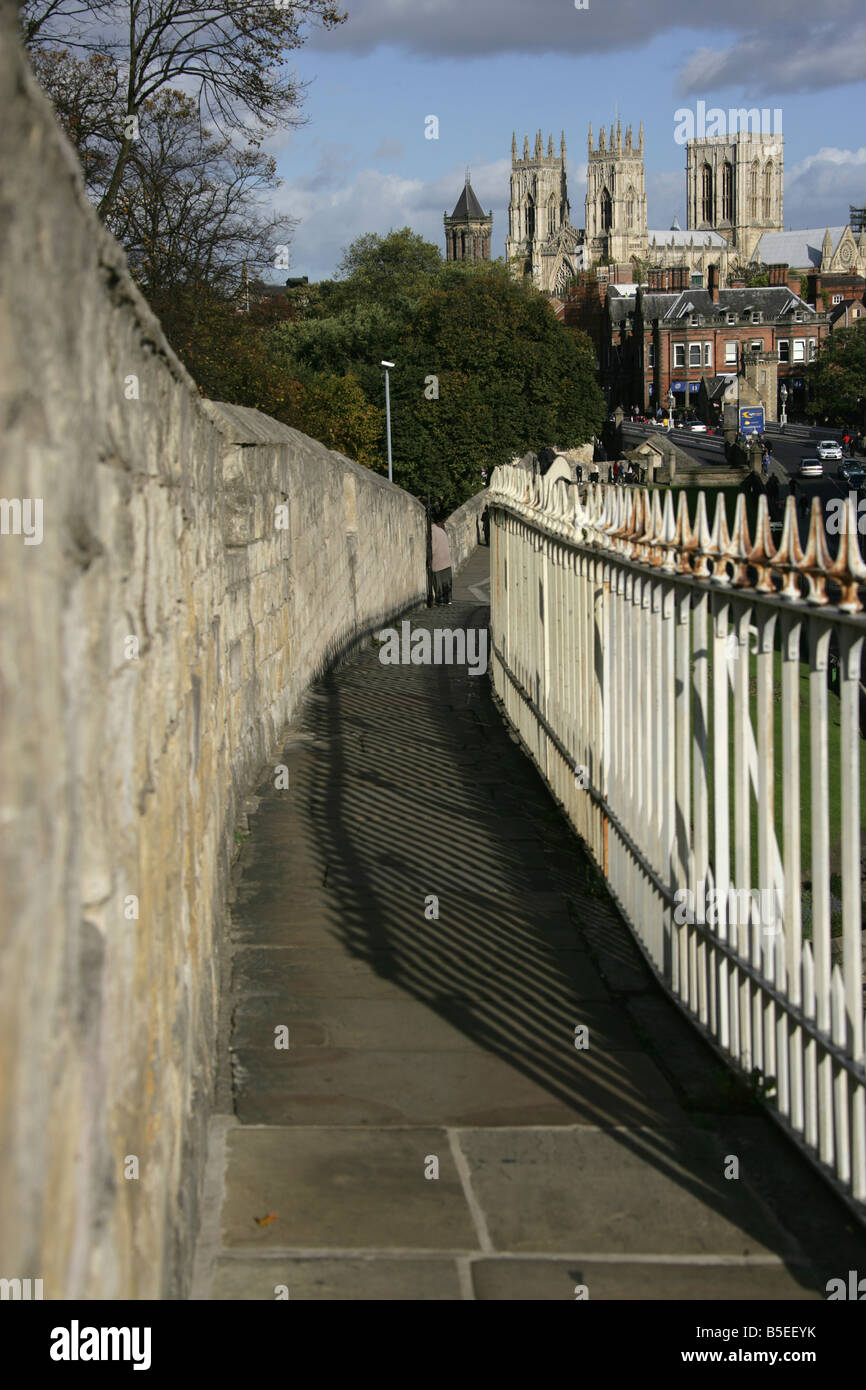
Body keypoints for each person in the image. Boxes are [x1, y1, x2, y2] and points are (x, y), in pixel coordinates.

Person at [430, 516, 452, 606]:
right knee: (446, 580)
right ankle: (448, 599)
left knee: (437, 581)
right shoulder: (441, 530)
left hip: (438, 560)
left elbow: (432, 548)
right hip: (447, 559)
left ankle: (440, 600)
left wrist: (430, 560)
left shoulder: (431, 532)